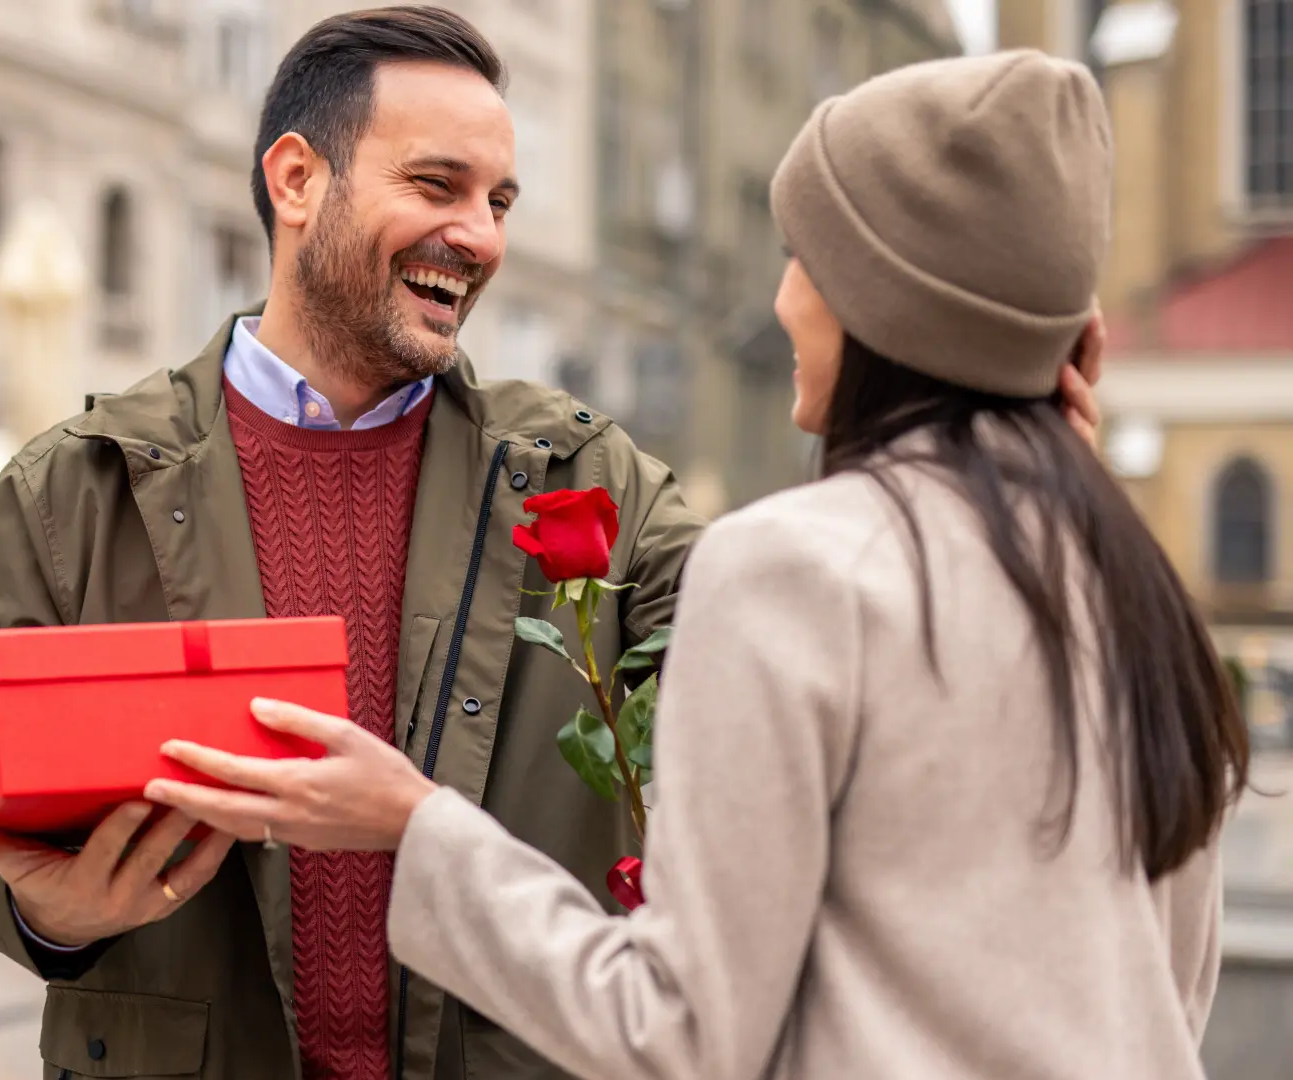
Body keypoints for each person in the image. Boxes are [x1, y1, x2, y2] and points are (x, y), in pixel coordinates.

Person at [144, 50, 1248, 1080]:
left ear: (879, 299)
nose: (782, 299)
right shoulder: (1137, 593)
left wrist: (416, 824)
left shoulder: (797, 572)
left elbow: (677, 1032)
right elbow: (1164, 1002)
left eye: (803, 258)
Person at [0, 8, 710, 1079]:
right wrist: (43, 912)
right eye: (437, 186)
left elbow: (766, 631)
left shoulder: (584, 475)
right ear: (296, 181)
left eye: (499, 200)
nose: (481, 236)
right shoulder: (77, 483)